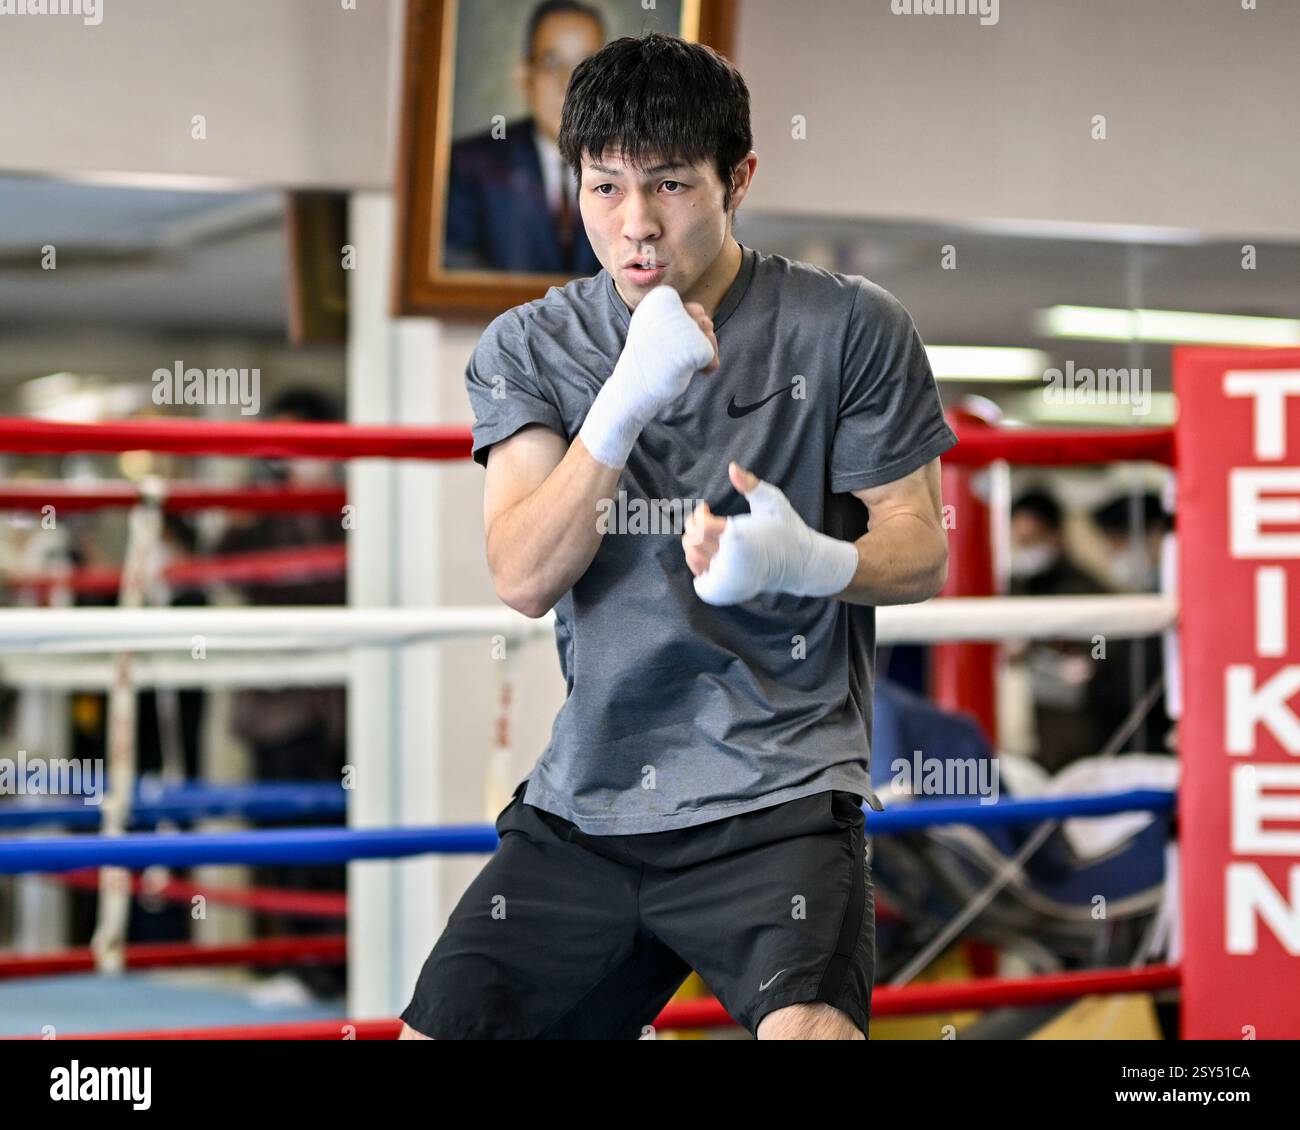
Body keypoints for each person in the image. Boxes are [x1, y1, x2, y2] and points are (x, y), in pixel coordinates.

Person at [401, 32, 956, 1041]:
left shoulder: (846, 329)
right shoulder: (530, 346)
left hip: (780, 794)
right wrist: (618, 406)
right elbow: (521, 575)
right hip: (590, 804)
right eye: (604, 187)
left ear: (737, 178)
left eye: (669, 184)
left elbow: (918, 548)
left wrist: (811, 559)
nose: (636, 226)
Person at [444, 1, 607, 275]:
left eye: (586, 66)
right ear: (525, 77)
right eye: (552, 62)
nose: (569, 85)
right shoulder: (470, 166)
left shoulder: (636, 166)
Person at [1007, 488, 1111, 773]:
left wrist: (1090, 660)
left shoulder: (1088, 590)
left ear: (1056, 535)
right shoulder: (1013, 587)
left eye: (1033, 540)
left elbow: (1102, 648)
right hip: (1023, 733)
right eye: (1020, 542)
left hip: (1077, 733)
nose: (1027, 550)